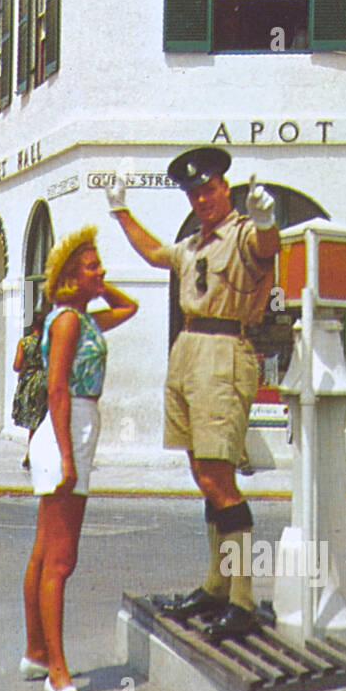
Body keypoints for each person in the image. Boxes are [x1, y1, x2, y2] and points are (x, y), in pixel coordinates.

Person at [107, 146, 279, 641]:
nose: (202, 198)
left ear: (227, 188)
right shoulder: (193, 243)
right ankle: (216, 584)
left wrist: (267, 219)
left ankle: (242, 598)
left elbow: (267, 248)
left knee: (219, 478)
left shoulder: (245, 233)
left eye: (209, 189)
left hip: (224, 351)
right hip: (188, 349)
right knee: (204, 475)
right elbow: (157, 253)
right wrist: (121, 211)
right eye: (194, 192)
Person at [21, 227, 137, 691]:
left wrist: (95, 285)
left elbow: (130, 307)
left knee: (45, 551)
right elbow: (57, 392)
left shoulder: (83, 318)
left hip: (78, 428)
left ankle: (35, 652)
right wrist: (68, 457)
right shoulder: (67, 322)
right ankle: (58, 674)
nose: (102, 271)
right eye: (93, 267)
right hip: (67, 429)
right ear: (71, 277)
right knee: (62, 561)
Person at [12, 310, 49, 469]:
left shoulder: (24, 342)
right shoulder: (52, 342)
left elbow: (17, 365)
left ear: (32, 324)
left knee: (34, 420)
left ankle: (31, 454)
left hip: (31, 381)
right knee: (45, 419)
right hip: (48, 379)